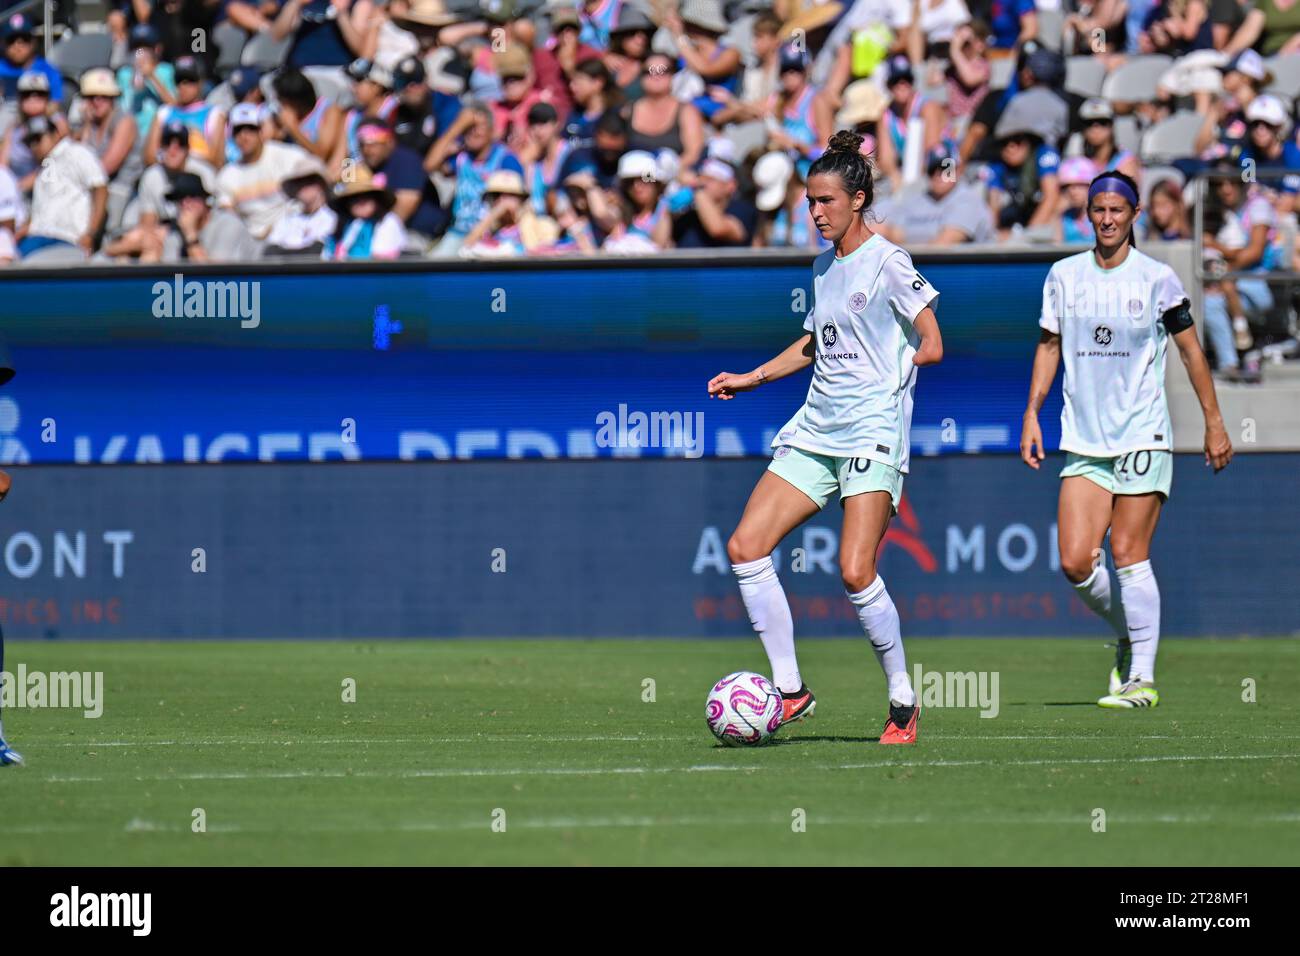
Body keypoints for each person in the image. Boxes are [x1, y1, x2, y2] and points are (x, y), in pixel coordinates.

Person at [707, 130, 943, 744]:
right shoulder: (822, 266)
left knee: (854, 569)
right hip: (817, 428)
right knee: (745, 545)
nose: (815, 213)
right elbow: (816, 342)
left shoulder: (890, 262)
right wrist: (753, 377)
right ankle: (790, 690)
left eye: (826, 202)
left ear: (858, 199)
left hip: (871, 433)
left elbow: (932, 335)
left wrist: (913, 362)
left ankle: (902, 700)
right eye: (810, 202)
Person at [1021, 170, 1232, 709]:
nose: (1108, 219)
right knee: (1074, 561)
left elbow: (1191, 353)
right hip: (1085, 441)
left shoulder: (1156, 278)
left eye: (1118, 210)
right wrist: (1031, 413)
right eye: (1098, 210)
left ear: (1135, 215)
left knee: (1127, 551)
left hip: (1143, 433)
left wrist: (1213, 421)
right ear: (1088, 215)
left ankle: (1141, 677)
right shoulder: (1064, 275)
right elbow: (1048, 346)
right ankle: (1127, 635)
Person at [17, 116, 107, 258]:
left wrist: (91, 234)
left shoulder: (76, 152)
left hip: (68, 238)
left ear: (55, 134)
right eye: (29, 142)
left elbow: (100, 189)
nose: (34, 146)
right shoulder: (42, 171)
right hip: (37, 238)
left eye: (38, 139)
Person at [873, 143, 994, 244]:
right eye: (933, 170)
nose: (939, 175)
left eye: (946, 169)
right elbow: (891, 232)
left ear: (958, 169)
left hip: (962, 269)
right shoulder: (917, 200)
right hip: (918, 267)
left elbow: (944, 245)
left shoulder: (968, 200)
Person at [323, 166, 407, 259]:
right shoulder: (345, 225)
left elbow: (381, 261)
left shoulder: (388, 221)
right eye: (354, 198)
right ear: (347, 203)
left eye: (366, 197)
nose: (360, 202)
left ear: (377, 200)